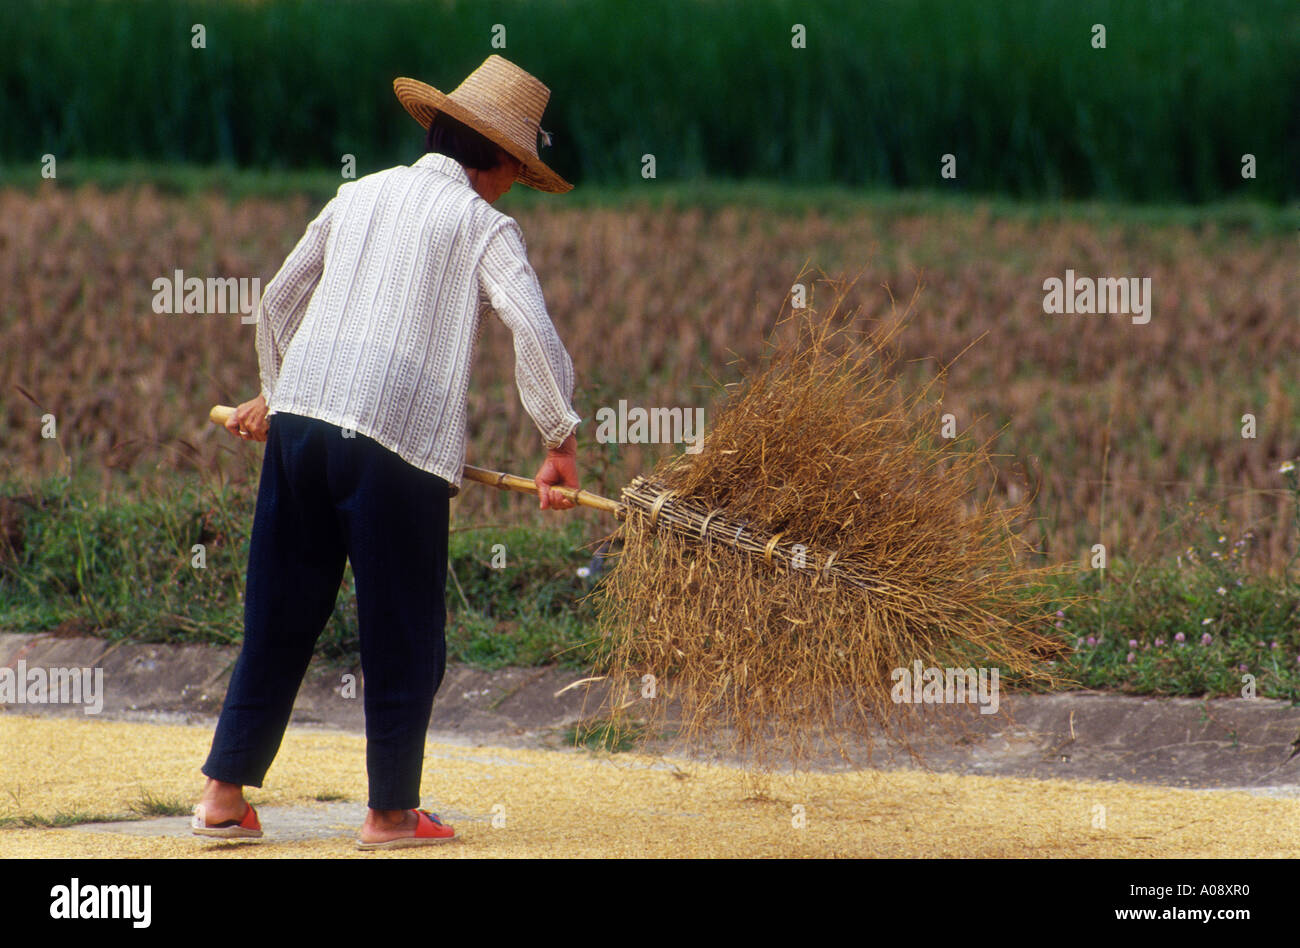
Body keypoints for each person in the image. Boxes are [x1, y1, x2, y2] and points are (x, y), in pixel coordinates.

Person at [192, 55, 582, 849]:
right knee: (403, 632)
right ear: (501, 158)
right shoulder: (482, 224)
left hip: (301, 430)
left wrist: (281, 391)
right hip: (394, 448)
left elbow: (276, 299)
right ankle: (391, 816)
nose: (515, 183)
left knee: (278, 615)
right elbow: (533, 330)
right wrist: (559, 442)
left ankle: (221, 798)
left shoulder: (359, 192)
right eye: (519, 166)